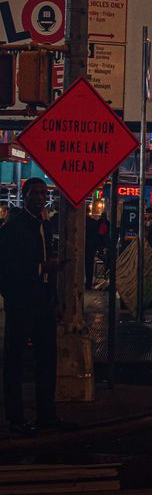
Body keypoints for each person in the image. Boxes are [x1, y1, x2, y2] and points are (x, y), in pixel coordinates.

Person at [0, 178, 60, 434]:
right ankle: (16, 418)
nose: (40, 198)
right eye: (34, 193)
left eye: (43, 193)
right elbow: (7, 266)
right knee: (15, 359)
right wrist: (40, 268)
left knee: (46, 359)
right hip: (21, 301)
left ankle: (46, 414)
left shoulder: (45, 225)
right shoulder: (13, 227)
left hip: (44, 301)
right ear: (24, 196)